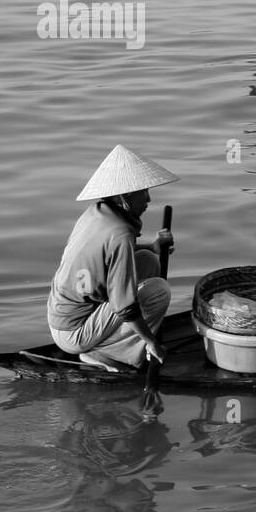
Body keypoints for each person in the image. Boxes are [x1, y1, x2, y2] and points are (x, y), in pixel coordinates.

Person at [46, 144, 178, 370]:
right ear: (126, 196)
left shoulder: (96, 213)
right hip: (74, 332)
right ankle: (108, 353)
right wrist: (150, 341)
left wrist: (154, 247)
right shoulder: (120, 233)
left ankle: (119, 340)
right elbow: (124, 307)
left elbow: (111, 255)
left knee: (148, 260)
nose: (148, 199)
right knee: (158, 291)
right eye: (143, 192)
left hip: (63, 316)